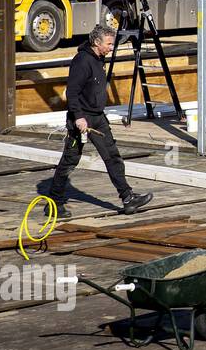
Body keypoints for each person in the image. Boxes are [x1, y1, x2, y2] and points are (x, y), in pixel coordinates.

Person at [46, 25, 154, 218]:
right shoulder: (82, 61)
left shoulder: (99, 58)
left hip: (98, 117)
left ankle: (128, 198)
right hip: (80, 120)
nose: (111, 47)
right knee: (70, 161)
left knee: (113, 157)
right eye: (109, 44)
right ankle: (53, 203)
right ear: (97, 43)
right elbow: (72, 92)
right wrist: (78, 117)